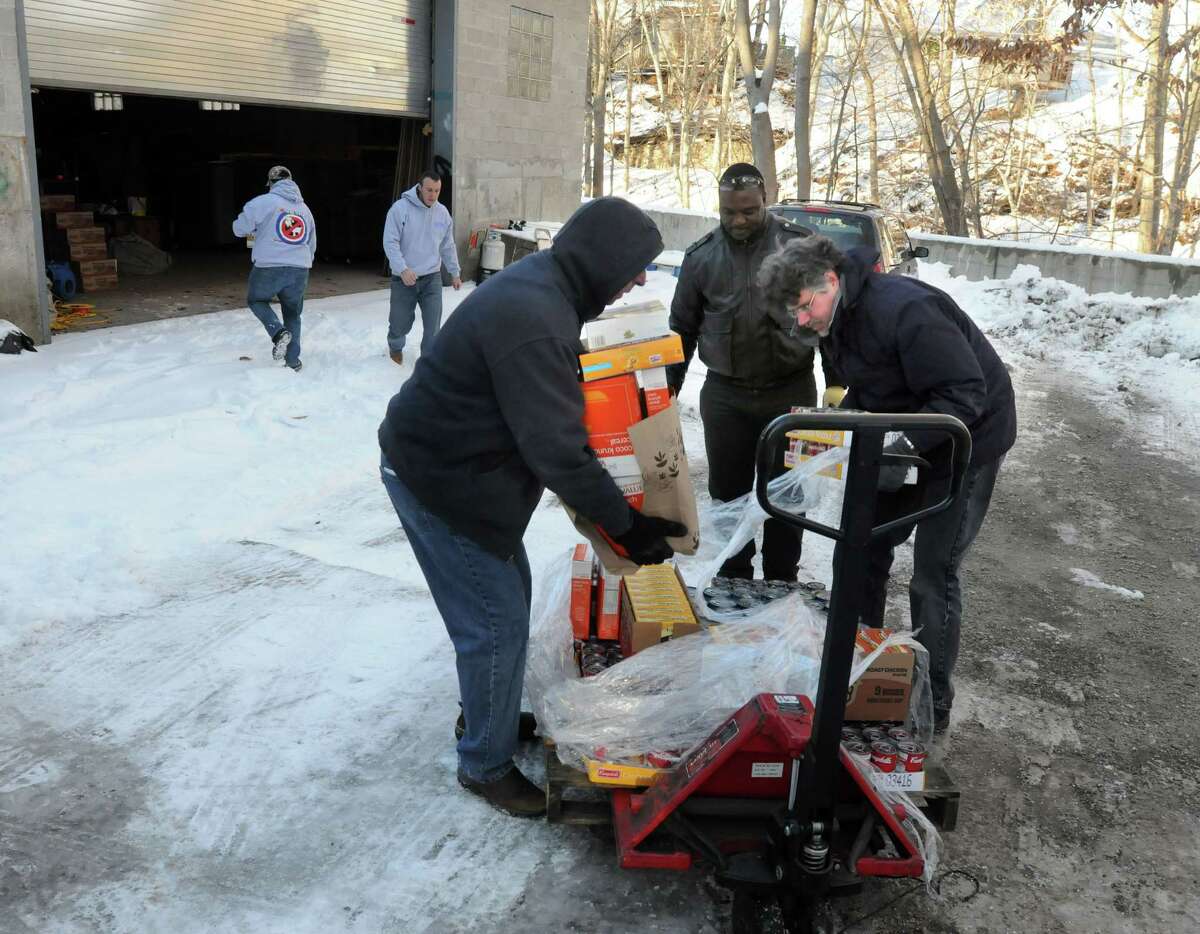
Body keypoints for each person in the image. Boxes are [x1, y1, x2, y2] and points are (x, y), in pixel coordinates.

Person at [378, 197, 685, 817]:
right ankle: (484, 765)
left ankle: (484, 716)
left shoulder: (548, 289)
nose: (640, 280)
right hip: (441, 482)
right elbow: (559, 454)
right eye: (635, 266)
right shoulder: (537, 317)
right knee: (494, 626)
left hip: (464, 475)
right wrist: (627, 527)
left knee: (504, 606)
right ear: (602, 259)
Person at [757, 235, 1017, 733]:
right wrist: (833, 424)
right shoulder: (834, 318)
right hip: (899, 431)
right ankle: (856, 667)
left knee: (933, 573)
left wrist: (902, 442)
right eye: (795, 314)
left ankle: (932, 704)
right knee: (860, 546)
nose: (803, 321)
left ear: (831, 280)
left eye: (806, 307)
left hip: (967, 439)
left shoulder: (907, 310)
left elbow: (965, 395)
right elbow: (852, 383)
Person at [668, 163, 839, 583]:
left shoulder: (800, 249)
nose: (739, 220)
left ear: (766, 200)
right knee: (728, 495)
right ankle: (734, 578)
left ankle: (782, 578)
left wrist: (836, 383)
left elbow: (830, 320)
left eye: (749, 210)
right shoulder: (701, 258)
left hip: (792, 392)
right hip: (726, 396)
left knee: (790, 493)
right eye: (729, 212)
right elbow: (682, 330)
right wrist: (666, 392)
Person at [232, 166, 316, 372]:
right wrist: (303, 263)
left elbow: (239, 229)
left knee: (256, 300)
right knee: (293, 313)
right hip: (300, 268)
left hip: (269, 266)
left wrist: (253, 228)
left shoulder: (262, 202)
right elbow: (311, 243)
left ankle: (278, 332)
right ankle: (293, 362)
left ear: (271, 183)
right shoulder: (305, 210)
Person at [383, 169, 462, 366]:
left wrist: (455, 272)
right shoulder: (400, 209)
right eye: (429, 190)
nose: (433, 195)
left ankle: (429, 359)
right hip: (404, 278)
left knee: (433, 325)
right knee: (400, 322)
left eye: (437, 191)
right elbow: (390, 242)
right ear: (419, 188)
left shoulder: (442, 213)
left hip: (432, 278)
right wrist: (402, 268)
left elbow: (447, 245)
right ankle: (395, 348)